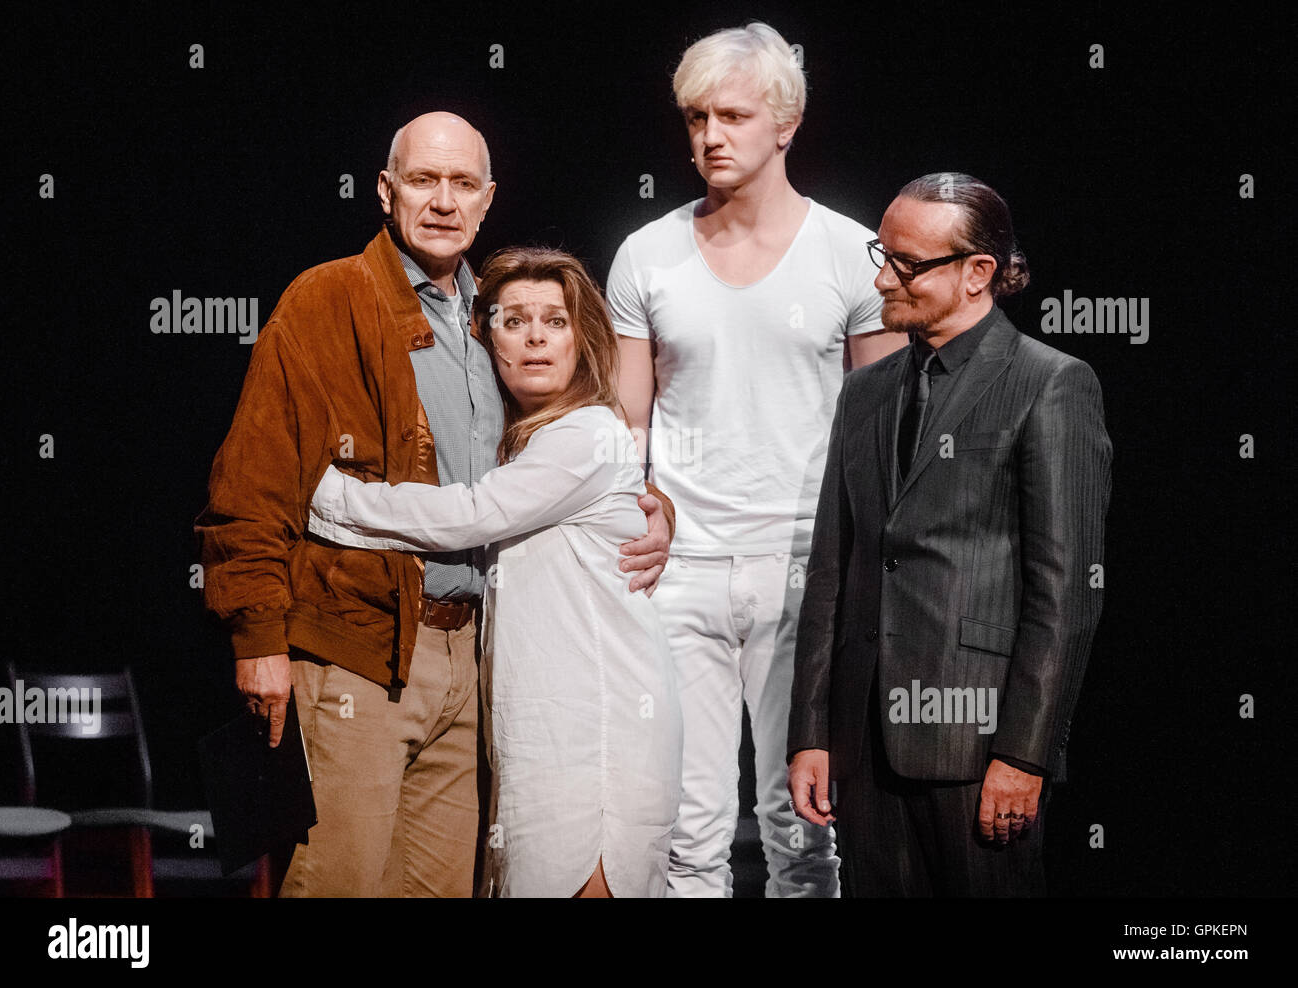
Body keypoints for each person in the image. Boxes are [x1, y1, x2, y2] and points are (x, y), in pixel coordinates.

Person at [194, 112, 673, 897]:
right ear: (386, 192)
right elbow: (251, 480)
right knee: (341, 882)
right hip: (361, 648)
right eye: (423, 180)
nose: (444, 201)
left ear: (488, 199)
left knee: (443, 889)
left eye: (462, 183)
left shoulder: (495, 318)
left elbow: (551, 460)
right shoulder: (328, 299)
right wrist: (258, 640)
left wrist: (649, 502)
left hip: (476, 658)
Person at [606, 22, 906, 898]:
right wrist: (638, 515)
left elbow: (880, 435)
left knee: (803, 828)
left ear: (786, 123)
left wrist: (860, 572)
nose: (710, 136)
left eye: (732, 116)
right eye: (696, 117)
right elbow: (625, 428)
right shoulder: (647, 253)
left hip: (805, 568)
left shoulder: (849, 253)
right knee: (686, 834)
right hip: (680, 572)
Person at [306, 247, 683, 898]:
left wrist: (328, 498)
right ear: (486, 340)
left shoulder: (586, 433)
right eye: (513, 321)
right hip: (542, 729)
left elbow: (471, 513)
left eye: (556, 321)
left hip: (595, 734)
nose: (536, 337)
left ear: (583, 338)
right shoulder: (523, 440)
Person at [787, 173, 1112, 896]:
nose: (882, 279)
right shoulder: (865, 391)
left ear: (978, 272)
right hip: (863, 745)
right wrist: (811, 731)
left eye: (906, 264)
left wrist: (1024, 755)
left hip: (978, 745)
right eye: (883, 255)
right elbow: (831, 568)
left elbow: (1065, 596)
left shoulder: (1050, 383)